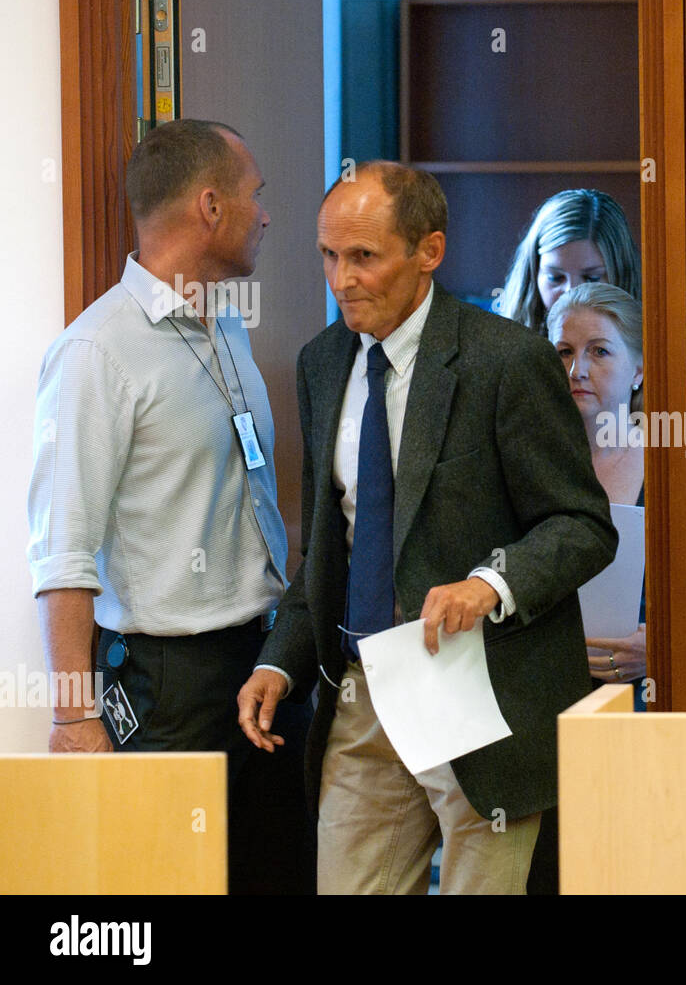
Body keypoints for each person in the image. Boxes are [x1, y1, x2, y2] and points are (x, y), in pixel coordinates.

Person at [235, 161, 617, 894]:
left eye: (363, 257)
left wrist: (490, 582)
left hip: (477, 689)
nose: (339, 278)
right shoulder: (321, 364)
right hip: (360, 693)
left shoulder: (505, 361)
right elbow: (331, 545)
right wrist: (278, 660)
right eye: (327, 255)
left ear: (429, 253)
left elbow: (581, 523)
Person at [27, 118, 314, 893]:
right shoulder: (97, 353)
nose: (267, 213)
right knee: (166, 886)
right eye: (256, 195)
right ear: (210, 206)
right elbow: (62, 550)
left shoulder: (224, 323)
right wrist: (73, 716)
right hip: (166, 682)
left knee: (275, 872)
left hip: (261, 663)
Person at [547, 282, 647, 702]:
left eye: (599, 351)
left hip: (645, 694)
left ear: (640, 368)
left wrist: (666, 647)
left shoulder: (675, 468)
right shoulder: (530, 464)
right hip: (545, 690)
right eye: (564, 352)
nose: (577, 371)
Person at [500, 188, 641, 334]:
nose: (571, 292)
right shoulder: (504, 344)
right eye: (555, 278)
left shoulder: (655, 345)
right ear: (533, 275)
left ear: (622, 275)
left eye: (591, 279)